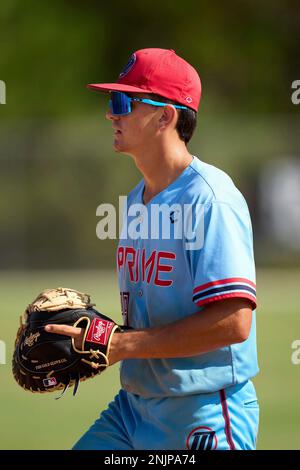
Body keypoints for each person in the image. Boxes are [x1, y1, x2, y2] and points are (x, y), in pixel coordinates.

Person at [46, 48, 259, 450]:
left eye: (123, 102)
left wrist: (122, 345)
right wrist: (95, 334)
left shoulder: (209, 199)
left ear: (166, 115)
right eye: (113, 102)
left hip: (202, 412)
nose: (112, 113)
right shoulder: (136, 201)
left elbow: (234, 323)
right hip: (133, 408)